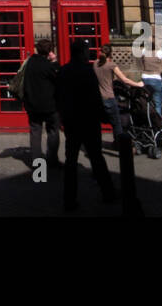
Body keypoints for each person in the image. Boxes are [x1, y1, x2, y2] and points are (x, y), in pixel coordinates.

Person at [56, 39, 116, 212]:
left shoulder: (64, 70)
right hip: (89, 121)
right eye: (86, 51)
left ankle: (69, 199)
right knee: (96, 157)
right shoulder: (88, 71)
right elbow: (95, 97)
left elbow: (58, 95)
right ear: (81, 53)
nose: (89, 53)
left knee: (70, 161)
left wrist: (62, 115)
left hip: (71, 122)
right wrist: (103, 115)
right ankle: (108, 192)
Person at [21, 38, 61, 168]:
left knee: (35, 133)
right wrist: (55, 62)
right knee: (53, 132)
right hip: (50, 105)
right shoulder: (49, 66)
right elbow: (59, 79)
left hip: (32, 105)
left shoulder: (29, 63)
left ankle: (38, 164)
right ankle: (52, 159)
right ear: (49, 51)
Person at [95, 46, 143, 145]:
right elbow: (124, 79)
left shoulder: (95, 64)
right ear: (110, 54)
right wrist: (138, 84)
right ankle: (120, 145)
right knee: (117, 124)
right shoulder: (111, 65)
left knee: (98, 122)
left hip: (98, 98)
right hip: (109, 98)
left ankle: (96, 143)